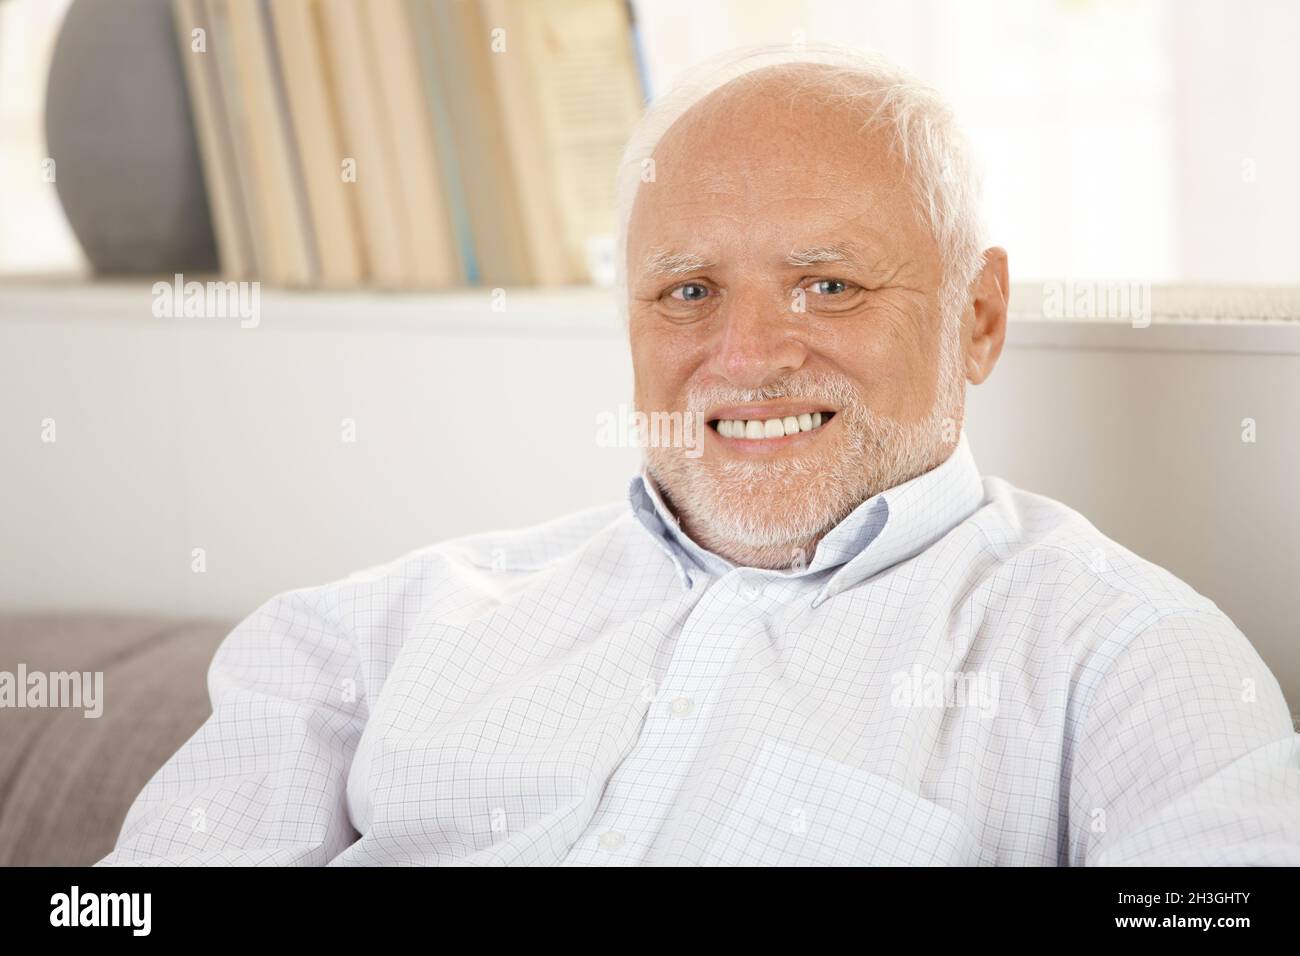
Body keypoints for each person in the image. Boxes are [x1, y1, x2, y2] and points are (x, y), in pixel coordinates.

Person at [99, 43, 1300, 866]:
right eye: (687, 290)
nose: (744, 353)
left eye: (826, 284)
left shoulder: (1130, 663)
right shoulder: (372, 630)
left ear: (978, 315)